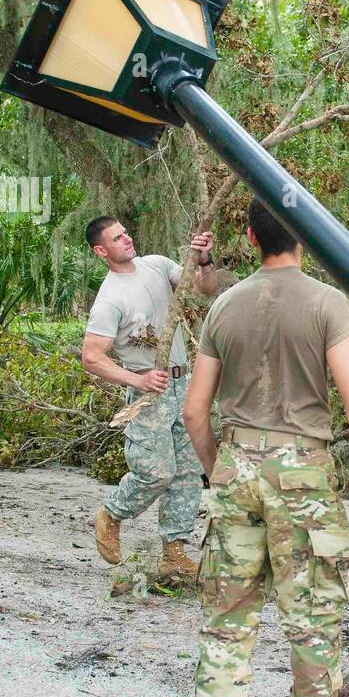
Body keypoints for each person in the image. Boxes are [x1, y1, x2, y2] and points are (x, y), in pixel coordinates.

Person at [182, 197, 349, 697]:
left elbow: (193, 411)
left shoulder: (225, 306)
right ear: (303, 238)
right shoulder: (328, 304)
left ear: (252, 239)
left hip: (235, 466)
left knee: (226, 619)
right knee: (312, 623)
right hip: (302, 475)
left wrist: (222, 470)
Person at [80, 218, 230, 578]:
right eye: (117, 238)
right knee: (156, 472)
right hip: (150, 393)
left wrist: (204, 258)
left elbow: (203, 288)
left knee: (188, 472)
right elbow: (91, 356)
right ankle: (112, 513)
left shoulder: (157, 265)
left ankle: (174, 551)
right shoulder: (110, 298)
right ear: (101, 251)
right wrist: (138, 378)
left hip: (184, 382)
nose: (126, 238)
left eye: (125, 232)